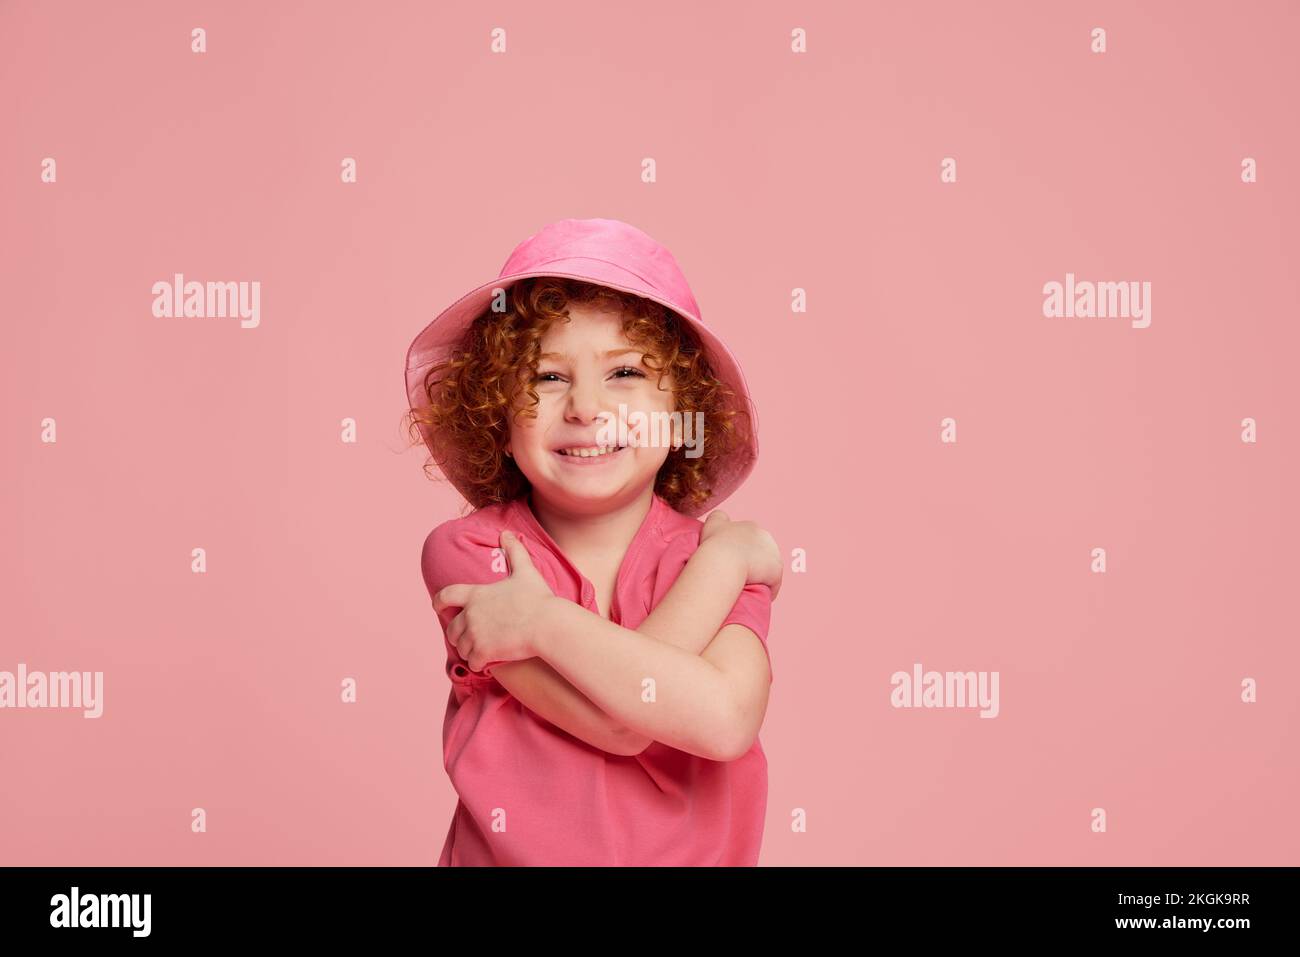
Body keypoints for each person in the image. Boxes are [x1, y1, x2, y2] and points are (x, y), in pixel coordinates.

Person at [403, 217, 780, 865]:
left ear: (682, 407)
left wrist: (537, 622)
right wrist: (545, 617)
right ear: (496, 405)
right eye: (548, 377)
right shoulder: (473, 557)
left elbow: (722, 719)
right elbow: (616, 722)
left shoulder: (708, 559)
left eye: (625, 372)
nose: (585, 407)